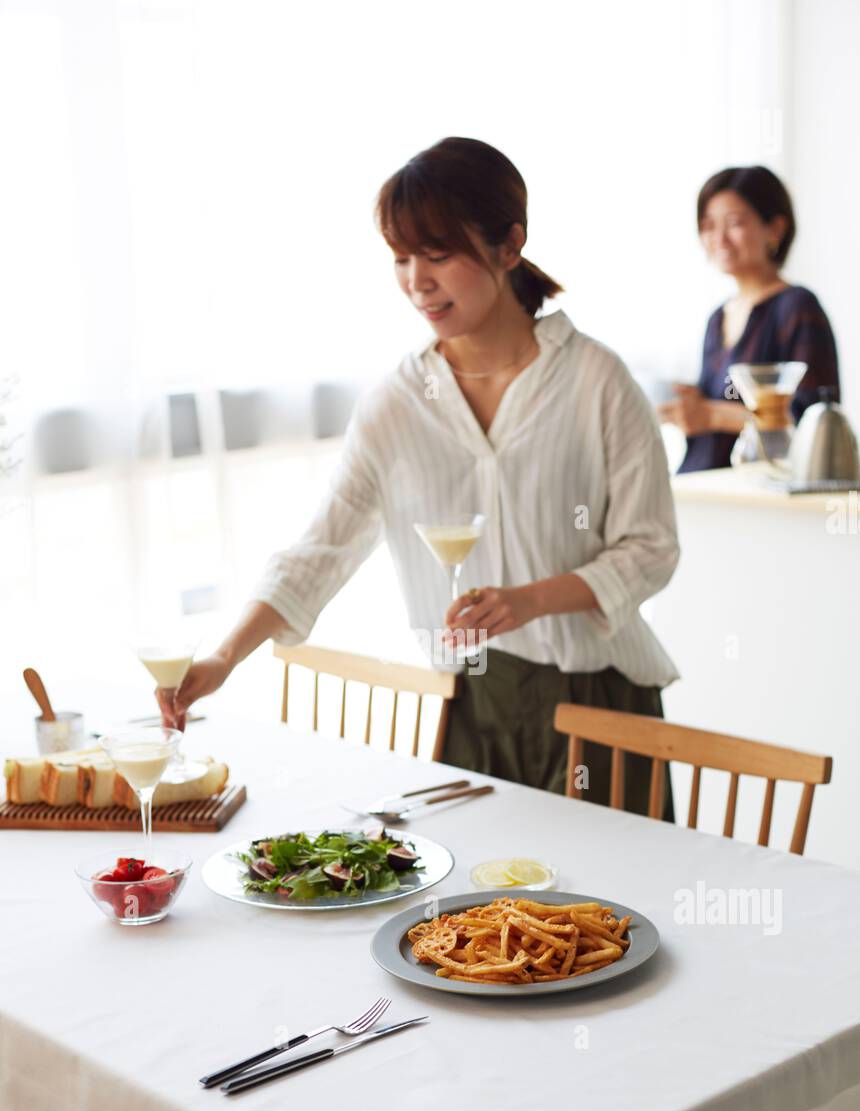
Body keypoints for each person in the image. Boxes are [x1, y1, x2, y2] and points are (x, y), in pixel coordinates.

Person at [161, 137, 680, 816]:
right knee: (479, 917)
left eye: (438, 255)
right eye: (401, 258)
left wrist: (530, 599)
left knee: (614, 914)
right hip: (473, 704)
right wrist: (224, 659)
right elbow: (320, 551)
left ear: (509, 245)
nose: (417, 281)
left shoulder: (596, 382)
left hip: (602, 701)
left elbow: (651, 551)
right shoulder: (398, 404)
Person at [661, 165, 841, 472]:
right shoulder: (717, 318)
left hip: (759, 495)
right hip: (702, 484)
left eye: (734, 223)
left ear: (775, 229)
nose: (718, 238)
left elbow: (813, 422)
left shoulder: (798, 308)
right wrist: (693, 404)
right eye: (708, 225)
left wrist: (712, 414)